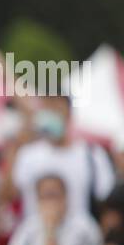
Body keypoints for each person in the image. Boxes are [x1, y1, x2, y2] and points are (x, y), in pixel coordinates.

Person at [9, 92, 114, 223]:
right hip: (38, 238)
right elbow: (9, 195)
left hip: (81, 238)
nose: (52, 113)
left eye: (57, 107)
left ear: (69, 113)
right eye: (47, 107)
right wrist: (14, 145)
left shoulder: (92, 154)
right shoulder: (27, 154)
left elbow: (106, 201)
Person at [0, 173, 102, 245]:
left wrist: (50, 230)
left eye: (54, 195)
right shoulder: (29, 226)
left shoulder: (84, 225)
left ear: (66, 197)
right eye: (44, 197)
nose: (50, 203)